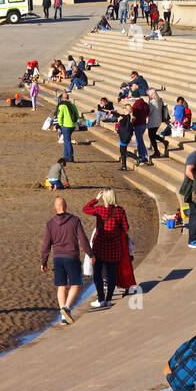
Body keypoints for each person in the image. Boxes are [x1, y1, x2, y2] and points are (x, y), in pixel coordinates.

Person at [40, 196, 93, 325]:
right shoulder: (75, 220)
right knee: (76, 284)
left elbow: (46, 244)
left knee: (61, 286)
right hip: (71, 257)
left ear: (55, 208)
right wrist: (91, 254)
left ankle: (63, 316)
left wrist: (43, 261)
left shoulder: (50, 223)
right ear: (66, 206)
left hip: (57, 258)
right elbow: (83, 240)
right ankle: (66, 308)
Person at [83, 189, 130, 308]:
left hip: (99, 247)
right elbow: (126, 228)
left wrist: (96, 199)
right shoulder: (120, 211)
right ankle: (108, 299)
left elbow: (86, 209)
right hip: (114, 247)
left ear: (105, 198)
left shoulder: (99, 210)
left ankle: (100, 298)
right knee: (112, 275)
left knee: (97, 274)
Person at [55, 93, 80, 164]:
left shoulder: (62, 106)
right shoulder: (73, 105)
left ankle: (70, 156)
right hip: (72, 125)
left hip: (65, 126)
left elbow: (60, 116)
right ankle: (65, 156)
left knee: (67, 141)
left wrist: (60, 124)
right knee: (66, 140)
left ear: (63, 98)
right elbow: (77, 116)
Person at [146, 88, 169, 158]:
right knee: (152, 135)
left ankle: (156, 151)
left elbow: (148, 112)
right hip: (158, 120)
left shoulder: (152, 102)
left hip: (153, 121)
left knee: (151, 136)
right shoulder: (159, 99)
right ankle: (164, 142)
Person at [131, 94, 151, 163]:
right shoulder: (145, 104)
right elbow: (148, 112)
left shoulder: (135, 105)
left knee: (139, 141)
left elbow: (134, 117)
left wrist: (132, 124)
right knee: (139, 140)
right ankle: (141, 155)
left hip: (138, 124)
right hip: (143, 124)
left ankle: (143, 156)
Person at [116, 105, 134, 169]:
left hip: (124, 136)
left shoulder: (127, 117)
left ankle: (137, 158)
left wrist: (119, 120)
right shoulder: (126, 116)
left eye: (124, 108)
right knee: (122, 151)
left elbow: (123, 125)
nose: (123, 109)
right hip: (123, 136)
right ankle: (124, 166)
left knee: (124, 151)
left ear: (126, 109)